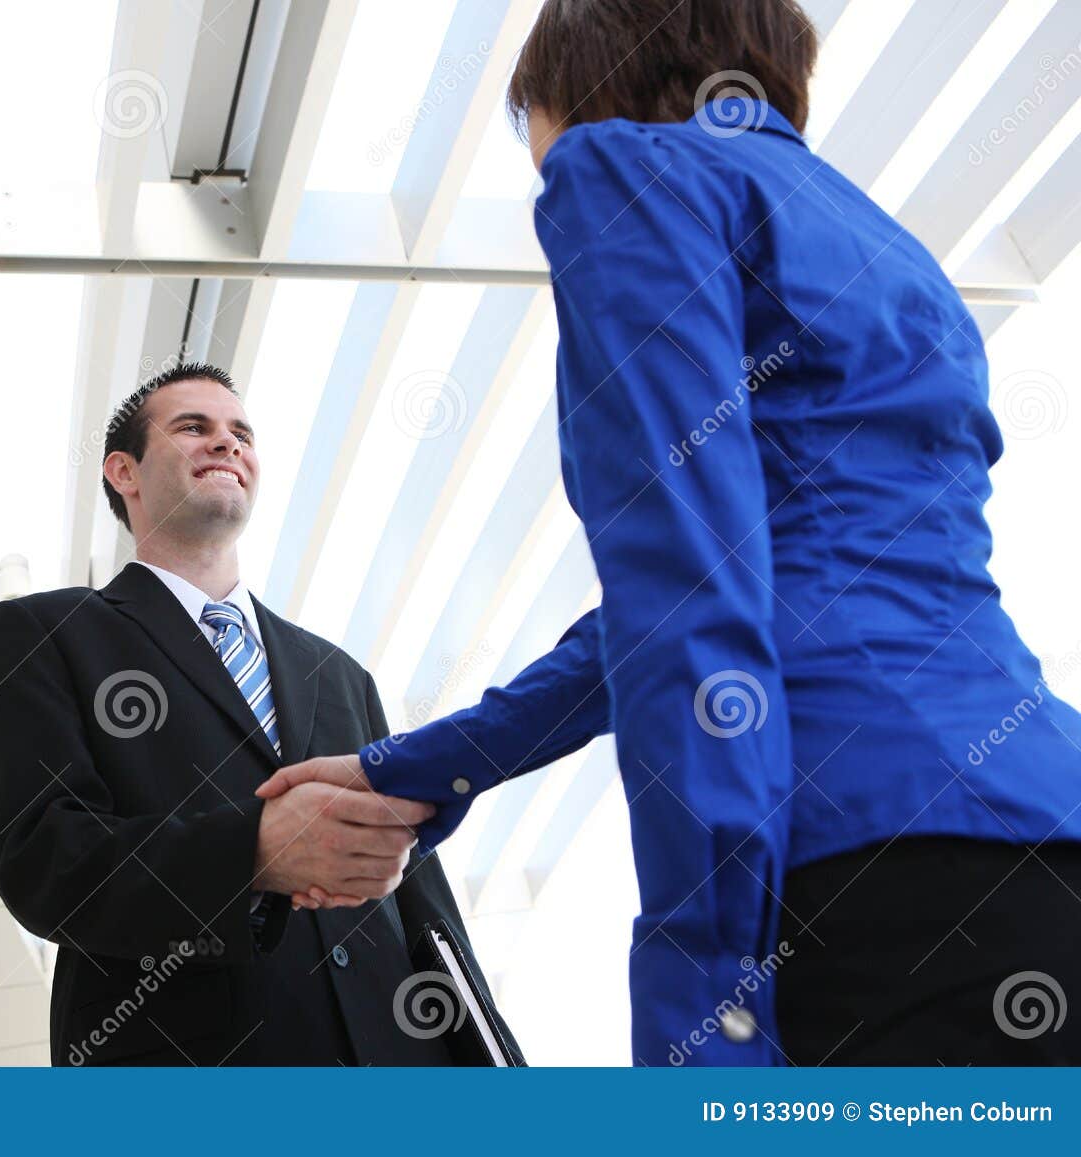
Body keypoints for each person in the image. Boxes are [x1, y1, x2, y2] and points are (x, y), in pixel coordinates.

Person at [257, 0, 1081, 1066]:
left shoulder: (626, 169)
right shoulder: (891, 251)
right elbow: (773, 570)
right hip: (1042, 820)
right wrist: (420, 766)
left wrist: (709, 1009)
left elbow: (687, 583)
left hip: (870, 862)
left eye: (534, 134)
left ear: (585, 85)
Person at [0, 363, 519, 1065]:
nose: (226, 444)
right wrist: (254, 850)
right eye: (193, 427)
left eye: (241, 434)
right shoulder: (43, 634)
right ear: (123, 473)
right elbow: (44, 860)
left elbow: (423, 902)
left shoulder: (339, 674)